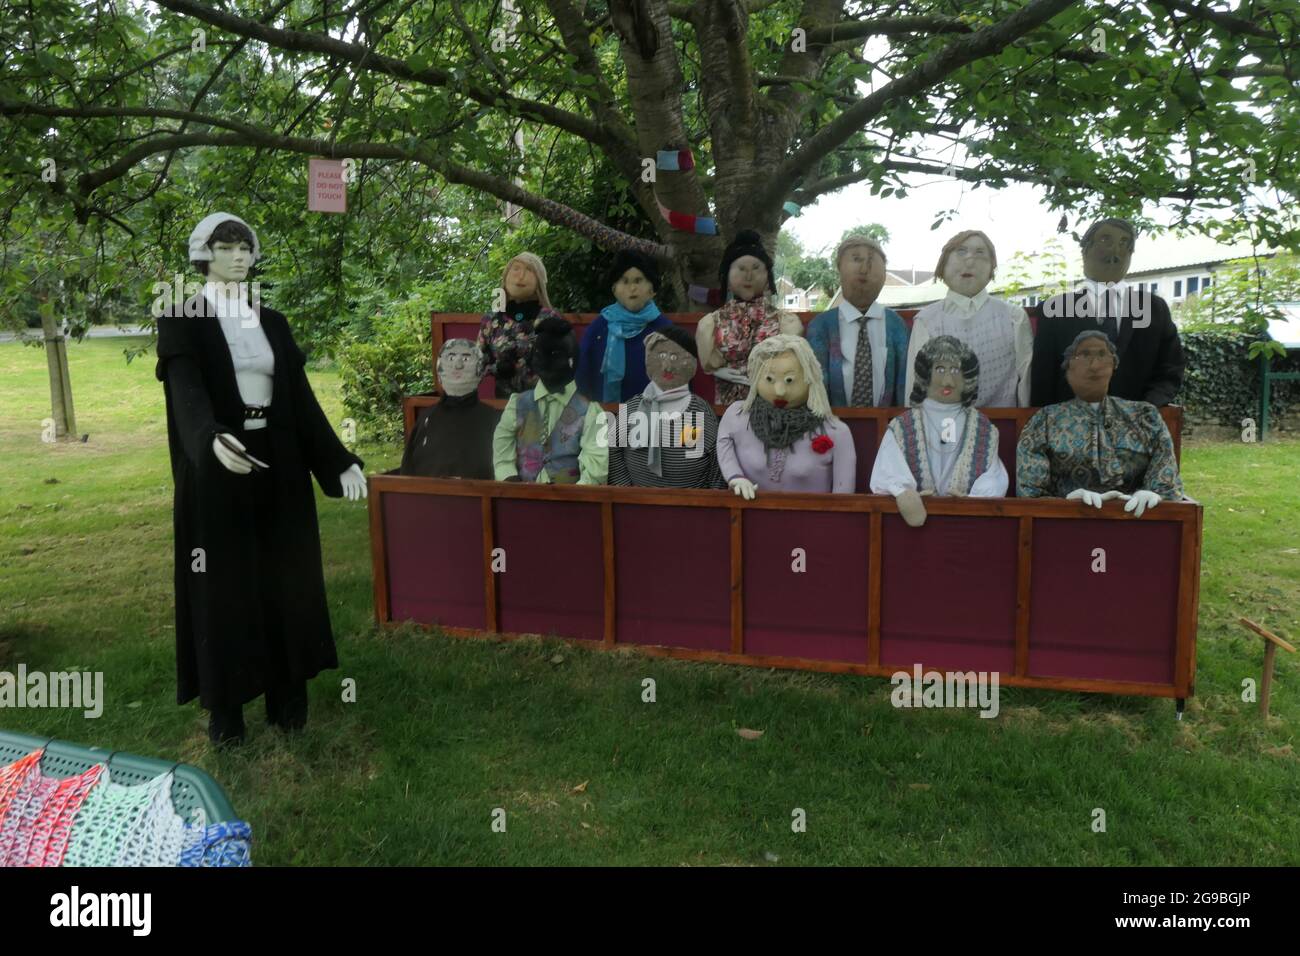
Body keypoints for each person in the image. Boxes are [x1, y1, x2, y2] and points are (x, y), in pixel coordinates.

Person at [156, 213, 367, 746]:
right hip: (220, 462)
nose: (239, 256)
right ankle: (226, 710)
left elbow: (300, 399)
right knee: (223, 584)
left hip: (280, 459)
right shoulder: (182, 315)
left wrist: (337, 460)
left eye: (245, 247)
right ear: (202, 253)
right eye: (226, 247)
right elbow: (186, 390)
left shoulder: (271, 320)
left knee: (287, 575)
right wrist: (208, 437)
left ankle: (287, 698)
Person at [1017, 330, 1184, 515]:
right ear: (1068, 367)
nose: (1094, 365)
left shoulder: (1145, 416)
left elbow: (1166, 480)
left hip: (1138, 522)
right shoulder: (1045, 421)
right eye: (1083, 355)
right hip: (1065, 525)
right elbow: (1029, 493)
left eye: (1102, 355)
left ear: (1114, 364)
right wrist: (1065, 504)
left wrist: (1153, 495)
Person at [1030, 217, 1185, 406]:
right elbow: (1043, 377)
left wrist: (1147, 408)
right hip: (1073, 426)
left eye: (1124, 243)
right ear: (1085, 251)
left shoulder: (1154, 309)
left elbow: (1170, 368)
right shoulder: (1054, 310)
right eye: (1106, 240)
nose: (1115, 250)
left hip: (1139, 425)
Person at [871, 335, 1008, 527]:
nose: (947, 381)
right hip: (909, 528)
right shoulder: (902, 426)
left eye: (955, 370)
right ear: (926, 373)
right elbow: (887, 466)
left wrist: (975, 499)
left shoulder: (984, 428)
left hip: (965, 525)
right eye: (940, 369)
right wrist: (904, 492)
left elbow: (993, 474)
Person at [716, 334, 856, 497]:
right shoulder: (738, 415)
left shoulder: (836, 431)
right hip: (750, 518)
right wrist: (735, 476)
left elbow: (843, 496)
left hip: (811, 520)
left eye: (790, 380)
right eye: (769, 379)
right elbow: (723, 442)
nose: (779, 391)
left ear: (811, 378)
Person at [905, 230, 1032, 407]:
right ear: (943, 264)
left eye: (980, 253)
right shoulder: (927, 320)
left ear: (992, 267)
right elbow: (915, 386)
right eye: (961, 251)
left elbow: (1026, 383)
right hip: (939, 429)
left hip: (1003, 428)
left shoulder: (1014, 317)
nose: (970, 260)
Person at [493, 316, 608, 484]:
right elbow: (501, 448)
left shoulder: (592, 412)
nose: (546, 362)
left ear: (572, 360)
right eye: (539, 354)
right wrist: (510, 482)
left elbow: (597, 465)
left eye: (555, 355)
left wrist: (573, 499)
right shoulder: (517, 404)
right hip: (519, 499)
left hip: (572, 504)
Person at [607, 326, 725, 489]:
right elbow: (613, 450)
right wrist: (626, 493)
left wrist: (705, 508)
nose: (667, 366)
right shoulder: (632, 408)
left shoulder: (700, 412)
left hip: (692, 510)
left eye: (675, 357)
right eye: (661, 355)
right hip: (634, 508)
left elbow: (716, 467)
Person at [695, 230, 803, 404]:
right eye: (741, 269)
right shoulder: (713, 322)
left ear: (768, 277)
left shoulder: (783, 321)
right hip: (727, 405)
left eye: (756, 268)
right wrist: (716, 370)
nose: (748, 276)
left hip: (771, 404)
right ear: (727, 277)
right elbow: (709, 360)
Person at [806, 234, 911, 407]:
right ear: (839, 269)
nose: (864, 269)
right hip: (833, 427)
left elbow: (904, 383)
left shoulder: (896, 325)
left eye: (872, 261)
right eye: (856, 259)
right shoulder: (821, 326)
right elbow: (815, 384)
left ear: (885, 274)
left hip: (886, 428)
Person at [576, 250, 674, 402]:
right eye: (625, 281)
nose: (632, 288)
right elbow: (581, 378)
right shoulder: (599, 328)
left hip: (654, 419)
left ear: (652, 289)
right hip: (605, 418)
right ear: (614, 288)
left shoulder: (666, 331)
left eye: (638, 280)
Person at [400, 339, 501, 479]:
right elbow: (408, 471)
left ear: (480, 369)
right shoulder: (427, 418)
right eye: (451, 357)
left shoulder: (493, 419)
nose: (458, 365)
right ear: (439, 366)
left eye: (466, 358)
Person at [476, 252, 564, 398]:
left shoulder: (551, 319)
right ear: (505, 277)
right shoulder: (491, 320)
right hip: (504, 405)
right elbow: (477, 361)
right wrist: (497, 368)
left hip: (543, 402)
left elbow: (565, 361)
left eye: (529, 270)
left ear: (539, 281)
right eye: (516, 268)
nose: (521, 275)